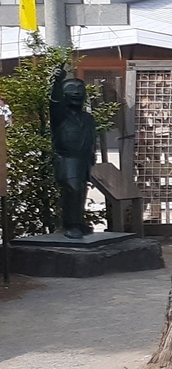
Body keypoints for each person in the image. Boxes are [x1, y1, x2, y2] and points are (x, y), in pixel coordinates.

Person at [49, 64, 96, 238]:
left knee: (82, 190)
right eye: (71, 89)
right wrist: (57, 81)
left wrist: (92, 153)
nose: (76, 92)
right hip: (67, 158)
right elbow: (54, 103)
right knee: (72, 189)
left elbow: (92, 136)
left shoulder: (87, 117)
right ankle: (70, 225)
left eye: (79, 89)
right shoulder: (60, 116)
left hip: (83, 159)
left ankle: (78, 222)